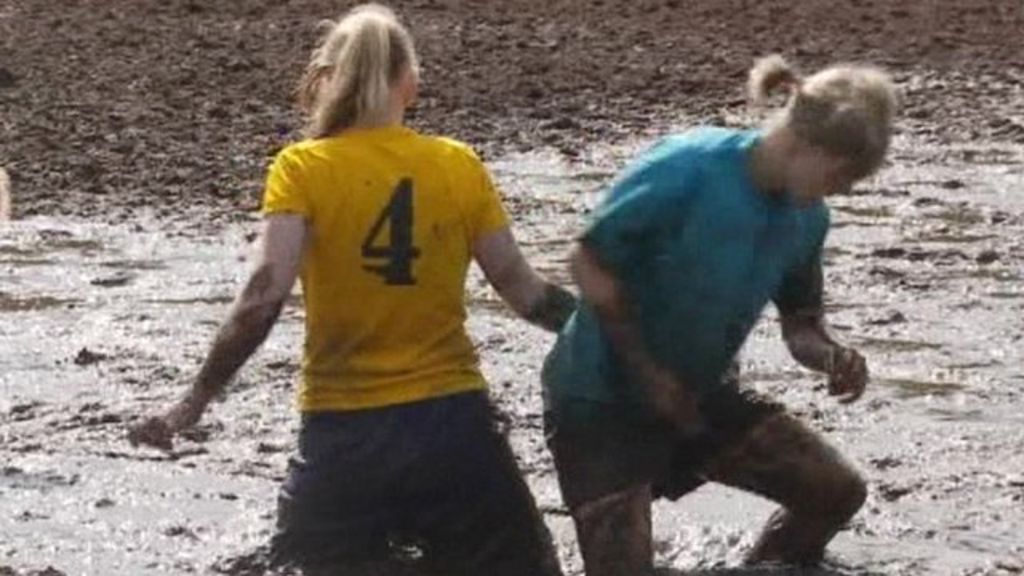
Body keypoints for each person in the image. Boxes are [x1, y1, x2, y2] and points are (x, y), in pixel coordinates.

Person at [127, 5, 574, 575]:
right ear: (409, 84)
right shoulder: (457, 165)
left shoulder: (301, 169)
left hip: (343, 434)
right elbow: (525, 291)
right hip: (453, 426)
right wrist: (610, 328)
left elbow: (261, 300)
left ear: (329, 81)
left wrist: (191, 404)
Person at [542, 54, 898, 575]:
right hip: (598, 403)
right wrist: (650, 374)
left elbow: (800, 326)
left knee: (835, 492)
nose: (844, 191)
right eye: (844, 176)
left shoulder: (807, 219)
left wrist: (831, 355)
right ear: (808, 146)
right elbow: (587, 263)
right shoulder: (687, 167)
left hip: (697, 398)